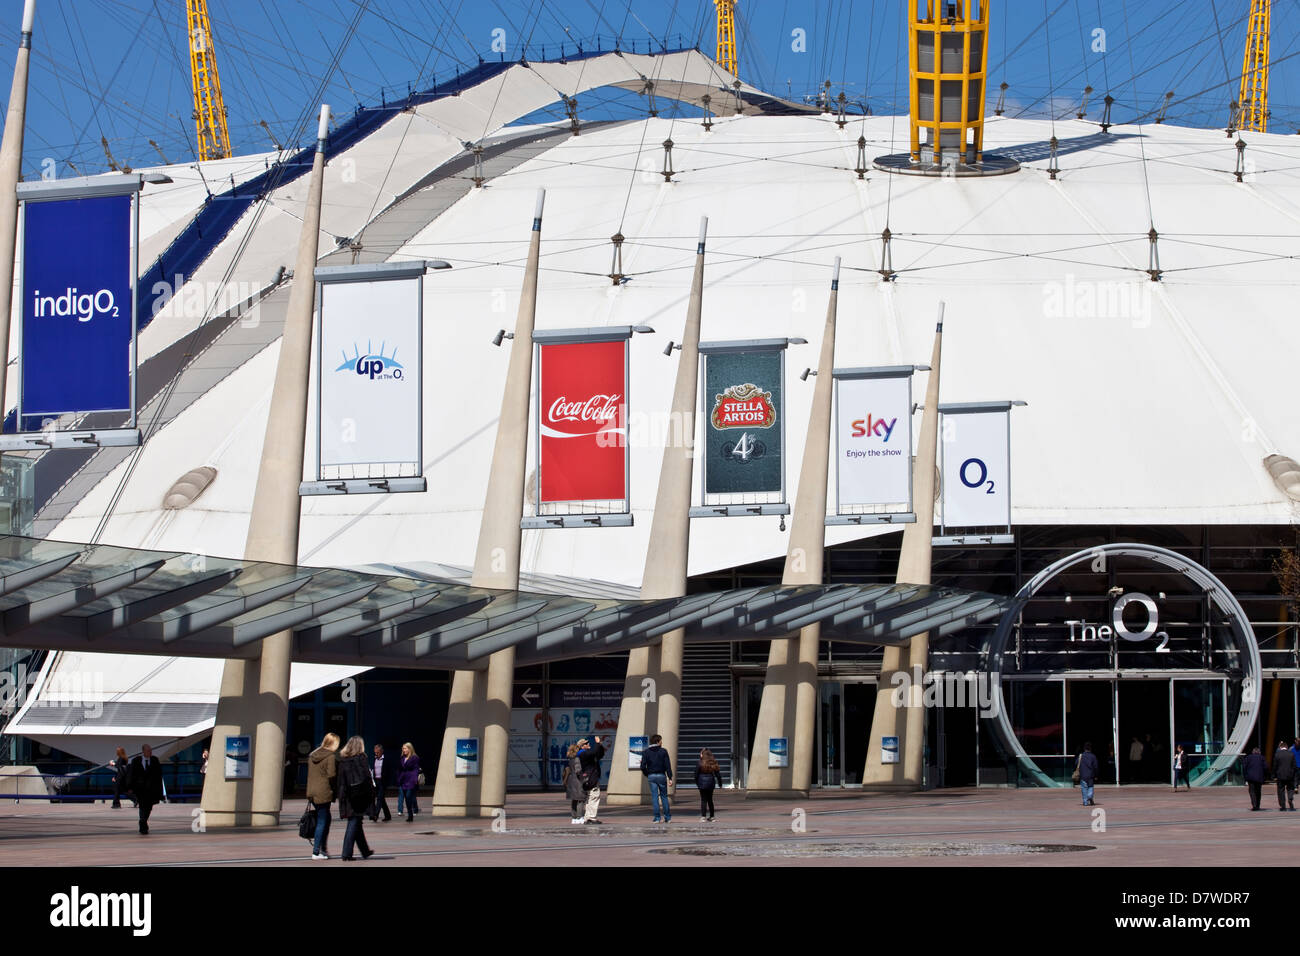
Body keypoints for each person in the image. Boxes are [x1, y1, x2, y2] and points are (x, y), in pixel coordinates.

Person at [336, 736, 375, 860]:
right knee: (354, 822)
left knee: (357, 822)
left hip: (347, 796)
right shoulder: (361, 758)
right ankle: (346, 853)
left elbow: (340, 781)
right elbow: (367, 778)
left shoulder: (343, 760)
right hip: (359, 796)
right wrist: (371, 794)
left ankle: (365, 851)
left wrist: (341, 797)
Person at [306, 732, 340, 860]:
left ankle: (323, 848)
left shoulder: (312, 755)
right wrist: (334, 788)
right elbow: (331, 774)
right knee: (322, 821)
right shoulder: (330, 756)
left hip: (312, 792)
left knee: (326, 818)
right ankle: (316, 851)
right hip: (324, 792)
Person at [127, 743, 164, 834]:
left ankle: (143, 820)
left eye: (150, 750)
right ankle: (142, 823)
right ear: (143, 751)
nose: (150, 752)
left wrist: (160, 789)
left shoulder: (155, 760)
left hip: (151, 789)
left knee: (149, 807)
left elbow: (159, 775)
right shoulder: (136, 761)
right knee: (143, 806)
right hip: (140, 789)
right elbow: (131, 774)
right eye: (148, 750)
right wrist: (130, 786)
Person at [640, 734, 673, 823]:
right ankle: (667, 817)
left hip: (651, 776)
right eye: (661, 740)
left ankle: (657, 818)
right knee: (664, 797)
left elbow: (642, 766)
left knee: (655, 797)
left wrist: (647, 774)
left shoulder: (646, 752)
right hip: (661, 775)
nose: (662, 742)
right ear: (658, 741)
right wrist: (670, 777)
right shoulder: (663, 751)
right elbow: (668, 765)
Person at [577, 735, 607, 824]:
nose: (588, 744)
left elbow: (599, 754)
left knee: (591, 798)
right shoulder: (582, 753)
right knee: (594, 796)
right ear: (582, 746)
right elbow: (594, 752)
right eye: (586, 743)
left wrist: (600, 745)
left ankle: (588, 817)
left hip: (590, 778)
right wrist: (597, 743)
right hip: (590, 778)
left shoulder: (586, 753)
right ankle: (591, 818)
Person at [694, 748, 722, 822]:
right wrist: (720, 784)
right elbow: (718, 775)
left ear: (702, 755)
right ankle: (712, 816)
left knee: (703, 800)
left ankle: (703, 817)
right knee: (710, 800)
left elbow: (696, 774)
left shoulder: (700, 763)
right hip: (710, 783)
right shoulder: (713, 762)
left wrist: (697, 783)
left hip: (702, 783)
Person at [369, 743, 393, 823]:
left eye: (378, 752)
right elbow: (372, 770)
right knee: (382, 800)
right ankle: (388, 815)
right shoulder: (374, 759)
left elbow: (389, 771)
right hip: (376, 781)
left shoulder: (386, 759)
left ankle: (376, 815)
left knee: (379, 798)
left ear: (382, 751)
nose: (376, 754)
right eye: (375, 752)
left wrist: (387, 782)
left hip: (383, 782)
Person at [397, 742, 421, 822]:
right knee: (406, 798)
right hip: (403, 780)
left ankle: (411, 814)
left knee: (408, 796)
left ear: (409, 749)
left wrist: (415, 779)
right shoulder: (402, 758)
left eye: (405, 748)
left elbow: (416, 769)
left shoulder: (415, 758)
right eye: (403, 748)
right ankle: (410, 815)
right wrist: (399, 778)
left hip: (411, 780)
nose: (403, 750)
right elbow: (399, 769)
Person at [562, 743, 585, 824]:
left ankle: (574, 817)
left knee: (574, 800)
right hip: (577, 781)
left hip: (571, 781)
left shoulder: (570, 759)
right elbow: (578, 770)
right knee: (580, 800)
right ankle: (580, 817)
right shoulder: (577, 759)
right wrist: (584, 776)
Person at [1076, 741, 1099, 807]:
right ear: (1090, 748)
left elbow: (1076, 763)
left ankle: (1085, 802)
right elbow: (1096, 766)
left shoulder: (1081, 756)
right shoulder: (1093, 756)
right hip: (1090, 775)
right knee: (1090, 786)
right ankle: (1090, 796)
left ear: (1084, 748)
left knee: (1084, 788)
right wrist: (1096, 775)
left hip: (1083, 775)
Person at [1275, 740, 1296, 811]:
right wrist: (1293, 773)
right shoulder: (1291, 754)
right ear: (1286, 747)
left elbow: (1275, 766)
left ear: (1281, 747)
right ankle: (1290, 798)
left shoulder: (1277, 754)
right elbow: (1294, 766)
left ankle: (1283, 805)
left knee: (1281, 790)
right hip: (1290, 775)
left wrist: (1273, 775)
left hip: (1280, 775)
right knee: (1290, 788)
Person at [1244, 746, 1266, 811]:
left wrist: (1245, 776)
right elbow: (1266, 767)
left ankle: (1254, 805)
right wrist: (1264, 776)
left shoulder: (1248, 757)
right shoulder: (1262, 758)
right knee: (1258, 792)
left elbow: (1244, 767)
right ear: (1259, 752)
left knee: (1252, 791)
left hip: (1250, 778)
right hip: (1259, 777)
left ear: (1253, 752)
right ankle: (1258, 805)